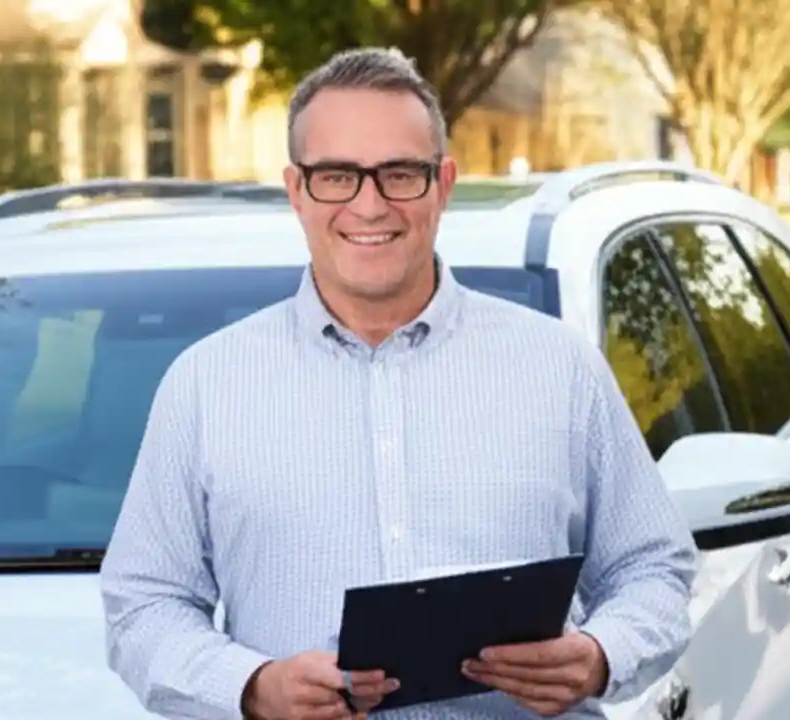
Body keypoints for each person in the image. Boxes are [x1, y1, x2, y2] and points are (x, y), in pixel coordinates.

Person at [100, 47, 699, 720]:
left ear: (442, 184)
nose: (369, 203)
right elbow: (143, 604)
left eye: (399, 174)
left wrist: (600, 653)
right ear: (297, 190)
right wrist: (250, 686)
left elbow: (653, 568)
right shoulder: (205, 386)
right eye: (336, 176)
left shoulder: (561, 369)